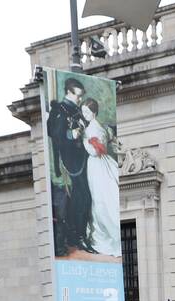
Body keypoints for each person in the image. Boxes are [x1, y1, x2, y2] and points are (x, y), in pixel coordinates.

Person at [46, 77, 94, 255]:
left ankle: (79, 234)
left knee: (84, 199)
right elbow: (55, 134)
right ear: (68, 92)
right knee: (79, 198)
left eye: (81, 96)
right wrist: (70, 134)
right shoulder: (59, 110)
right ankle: (76, 236)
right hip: (69, 164)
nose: (80, 99)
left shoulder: (76, 109)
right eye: (77, 96)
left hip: (81, 159)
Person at [81, 98, 122, 258]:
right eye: (83, 111)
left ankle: (106, 238)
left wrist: (84, 141)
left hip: (98, 165)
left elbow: (96, 151)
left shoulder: (94, 128)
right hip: (96, 166)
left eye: (87, 112)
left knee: (102, 199)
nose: (85, 114)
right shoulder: (96, 127)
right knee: (99, 199)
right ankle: (101, 233)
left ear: (94, 112)